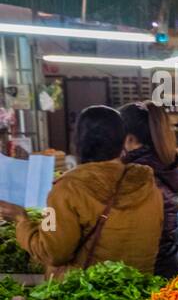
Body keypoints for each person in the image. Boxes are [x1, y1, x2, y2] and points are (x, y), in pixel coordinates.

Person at [0, 105, 161, 276]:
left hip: (87, 295)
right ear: (123, 142)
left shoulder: (66, 189)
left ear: (77, 141)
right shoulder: (148, 185)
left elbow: (51, 252)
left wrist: (21, 219)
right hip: (141, 291)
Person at [122, 102, 178, 277]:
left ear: (128, 139)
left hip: (149, 268)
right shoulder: (165, 164)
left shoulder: (136, 174)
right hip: (168, 262)